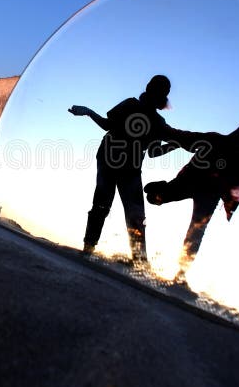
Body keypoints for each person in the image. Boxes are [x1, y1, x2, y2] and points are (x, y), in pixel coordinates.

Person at [143, 119, 239, 281]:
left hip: (200, 187)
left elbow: (187, 138)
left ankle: (181, 274)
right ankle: (160, 192)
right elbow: (188, 138)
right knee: (191, 227)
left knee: (195, 230)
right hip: (196, 184)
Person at [68, 75, 186, 263]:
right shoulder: (131, 105)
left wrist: (176, 145)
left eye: (164, 91)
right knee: (102, 203)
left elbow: (154, 151)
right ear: (150, 89)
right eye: (160, 90)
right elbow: (108, 125)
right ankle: (88, 249)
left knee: (135, 214)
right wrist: (88, 112)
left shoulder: (158, 122)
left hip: (130, 168)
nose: (161, 95)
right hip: (109, 159)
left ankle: (139, 262)